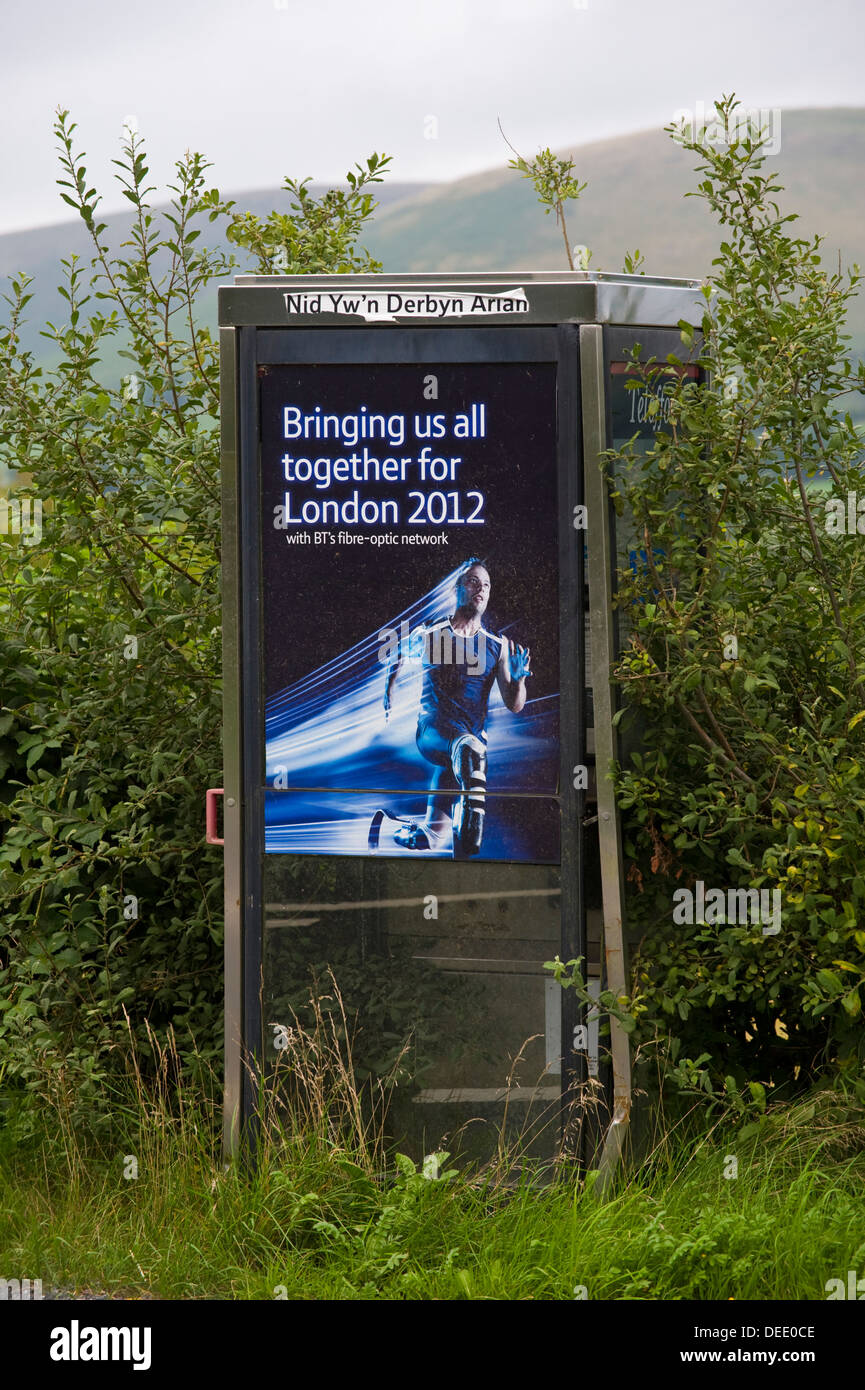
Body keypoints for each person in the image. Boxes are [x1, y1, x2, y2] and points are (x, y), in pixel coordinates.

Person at [382, 558, 531, 856]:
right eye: (474, 582)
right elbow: (397, 654)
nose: (481, 589)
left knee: (432, 839)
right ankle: (468, 860)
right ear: (458, 589)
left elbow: (515, 705)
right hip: (433, 734)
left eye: (486, 585)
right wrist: (389, 689)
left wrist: (518, 680)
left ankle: (393, 829)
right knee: (471, 749)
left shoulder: (497, 645)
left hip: (466, 751)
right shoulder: (431, 633)